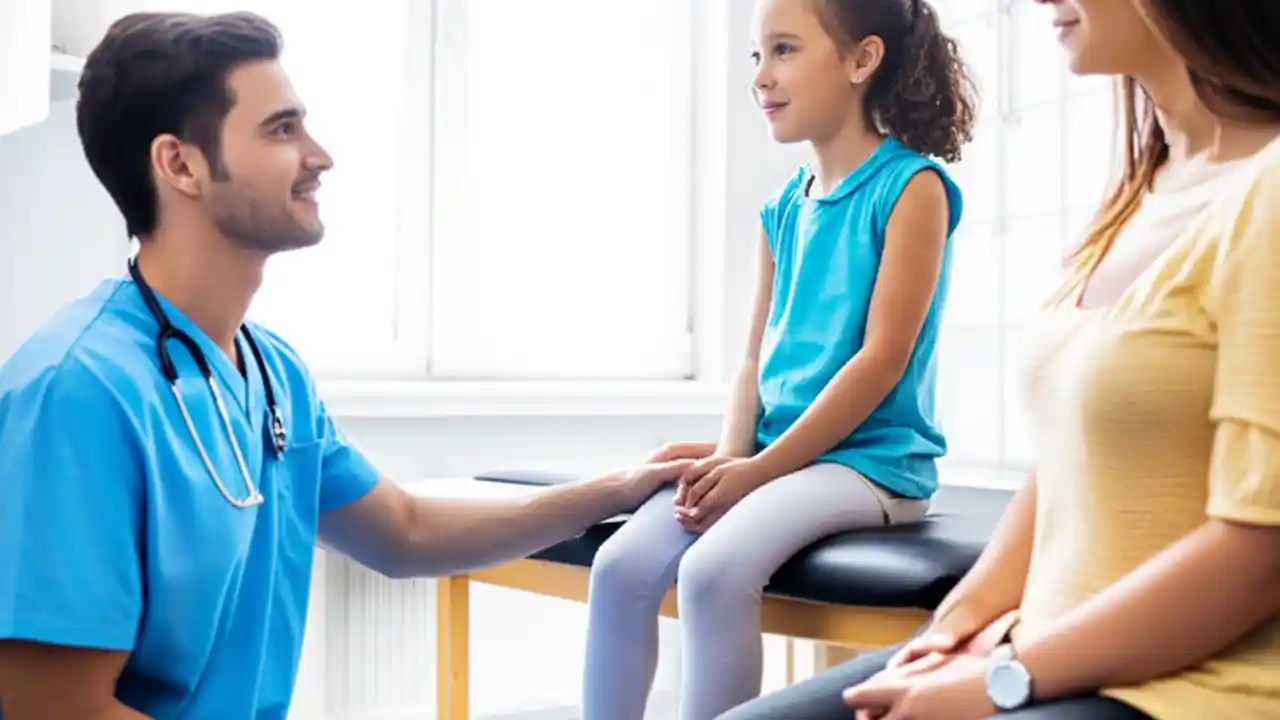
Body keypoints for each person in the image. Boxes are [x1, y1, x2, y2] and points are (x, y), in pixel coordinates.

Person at [0, 12, 694, 719]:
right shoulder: (76, 394)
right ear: (180, 164)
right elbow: (51, 707)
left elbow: (404, 530)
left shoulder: (270, 374)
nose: (320, 155)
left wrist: (616, 489)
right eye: (281, 129)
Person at [721, 0, 1280, 718]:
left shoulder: (1266, 189)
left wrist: (1002, 679)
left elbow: (1259, 555)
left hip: (1188, 692)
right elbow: (1069, 468)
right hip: (1036, 647)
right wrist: (953, 625)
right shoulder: (1139, 193)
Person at [581, 0, 974, 717]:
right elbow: (753, 364)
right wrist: (730, 460)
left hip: (870, 466)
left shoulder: (912, 189)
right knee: (620, 564)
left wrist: (759, 472)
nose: (762, 76)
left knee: (712, 572)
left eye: (785, 50)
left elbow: (880, 361)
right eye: (756, 56)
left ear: (863, 61)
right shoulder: (782, 210)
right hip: (776, 456)